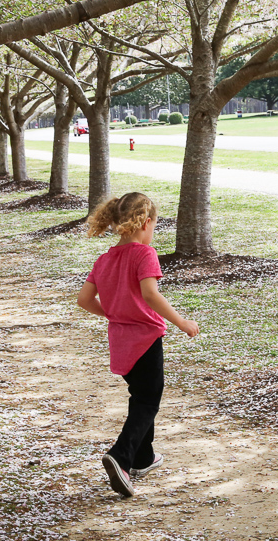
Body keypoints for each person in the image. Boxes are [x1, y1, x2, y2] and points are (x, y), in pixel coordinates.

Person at [77, 193, 199, 498]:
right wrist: (182, 322)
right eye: (154, 224)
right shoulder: (145, 254)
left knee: (141, 396)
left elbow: (84, 300)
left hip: (120, 343)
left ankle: (143, 458)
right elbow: (150, 294)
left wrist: (115, 312)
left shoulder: (104, 259)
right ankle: (120, 457)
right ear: (145, 223)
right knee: (148, 401)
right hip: (145, 340)